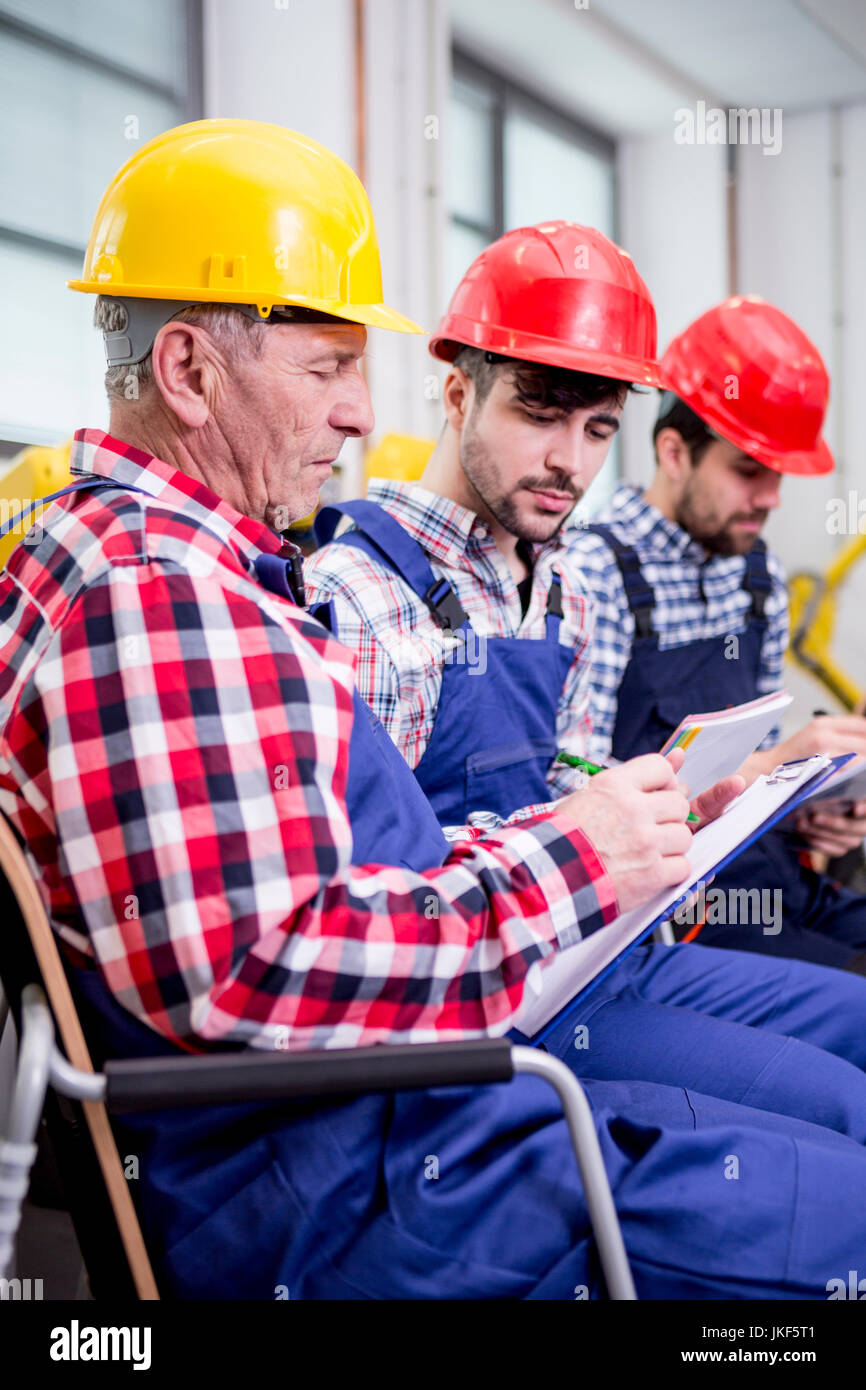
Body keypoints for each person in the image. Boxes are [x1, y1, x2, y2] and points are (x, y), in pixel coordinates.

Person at [4, 124, 866, 1302]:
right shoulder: (156, 595)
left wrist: (635, 834)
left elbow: (335, 871)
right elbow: (254, 974)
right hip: (354, 1159)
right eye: (327, 369)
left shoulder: (182, 571)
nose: (363, 415)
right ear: (191, 371)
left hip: (408, 1087)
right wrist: (575, 858)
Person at [305, 223, 866, 1110]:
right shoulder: (367, 598)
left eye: (598, 426)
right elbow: (362, 907)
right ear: (456, 394)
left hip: (600, 949)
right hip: (487, 1011)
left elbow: (566, 773)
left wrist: (691, 803)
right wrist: (594, 840)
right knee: (843, 1111)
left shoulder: (562, 583)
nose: (571, 461)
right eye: (538, 413)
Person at [568, 295, 866, 969]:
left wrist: (806, 806)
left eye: (778, 475)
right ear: (674, 451)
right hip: (676, 911)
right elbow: (580, 800)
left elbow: (756, 762)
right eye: (746, 471)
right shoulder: (594, 575)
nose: (769, 498)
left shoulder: (758, 574)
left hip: (775, 880)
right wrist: (777, 765)